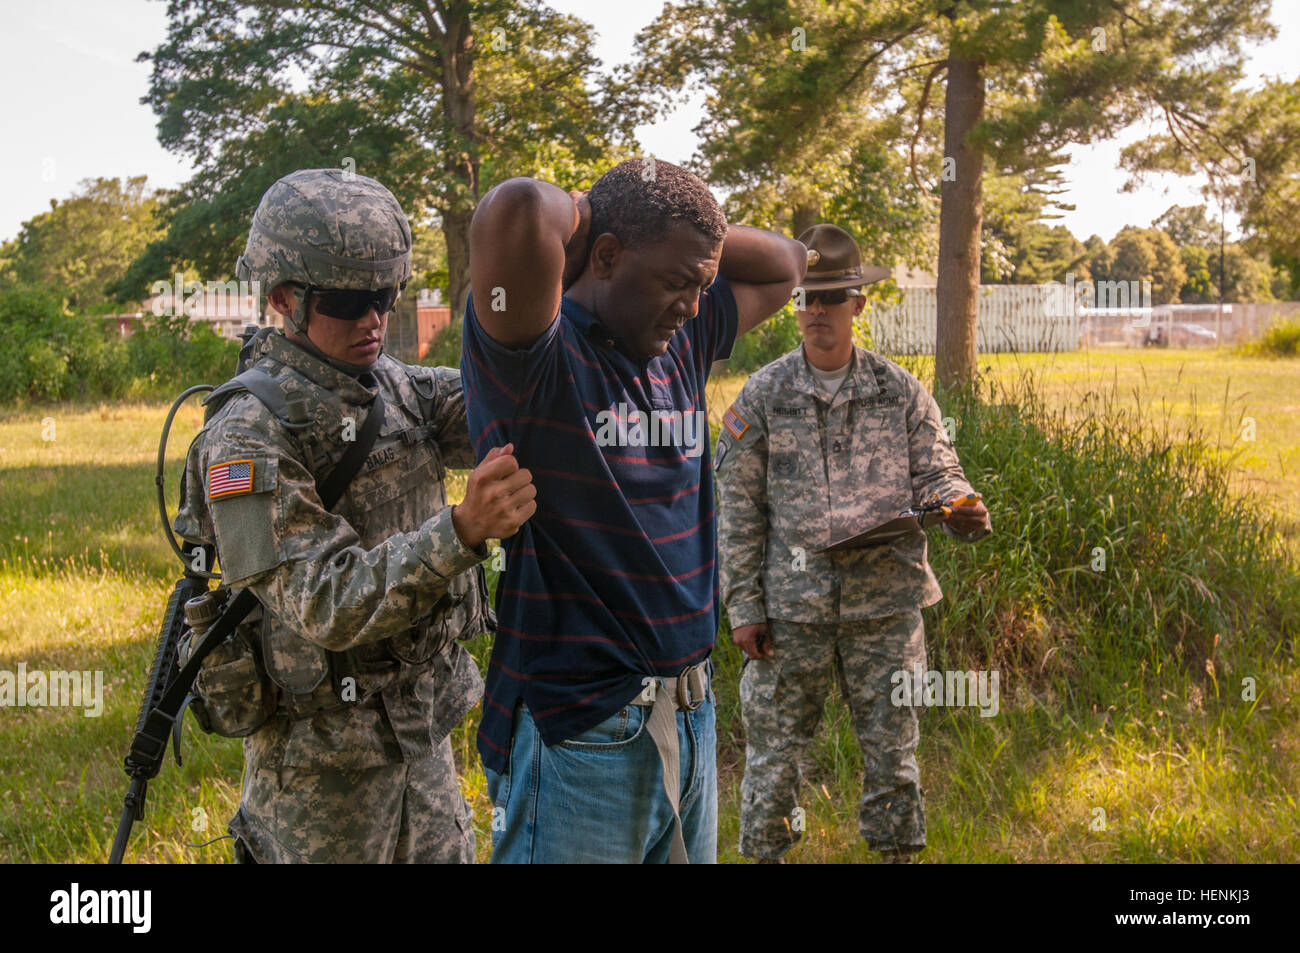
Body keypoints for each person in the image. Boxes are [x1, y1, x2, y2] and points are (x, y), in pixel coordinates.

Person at [173, 168, 537, 863]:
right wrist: (460, 531)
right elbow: (324, 599)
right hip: (321, 785)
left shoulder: (392, 384)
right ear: (283, 297)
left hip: (422, 757)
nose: (375, 318)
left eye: (386, 293)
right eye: (349, 300)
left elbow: (510, 405)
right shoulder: (244, 438)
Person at [461, 158, 806, 863]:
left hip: (690, 713)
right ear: (608, 256)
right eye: (678, 282)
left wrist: (686, 238)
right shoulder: (537, 354)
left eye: (703, 285)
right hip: (583, 728)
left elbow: (787, 263)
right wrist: (599, 213)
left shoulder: (683, 340)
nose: (691, 302)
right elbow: (518, 207)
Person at [715, 223, 992, 864]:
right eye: (806, 298)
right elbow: (737, 510)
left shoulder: (898, 391)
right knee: (775, 762)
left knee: (893, 759)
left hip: (885, 610)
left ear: (857, 307)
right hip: (793, 614)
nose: (815, 311)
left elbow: (939, 471)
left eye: (830, 299)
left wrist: (958, 506)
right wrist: (744, 608)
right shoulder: (763, 395)